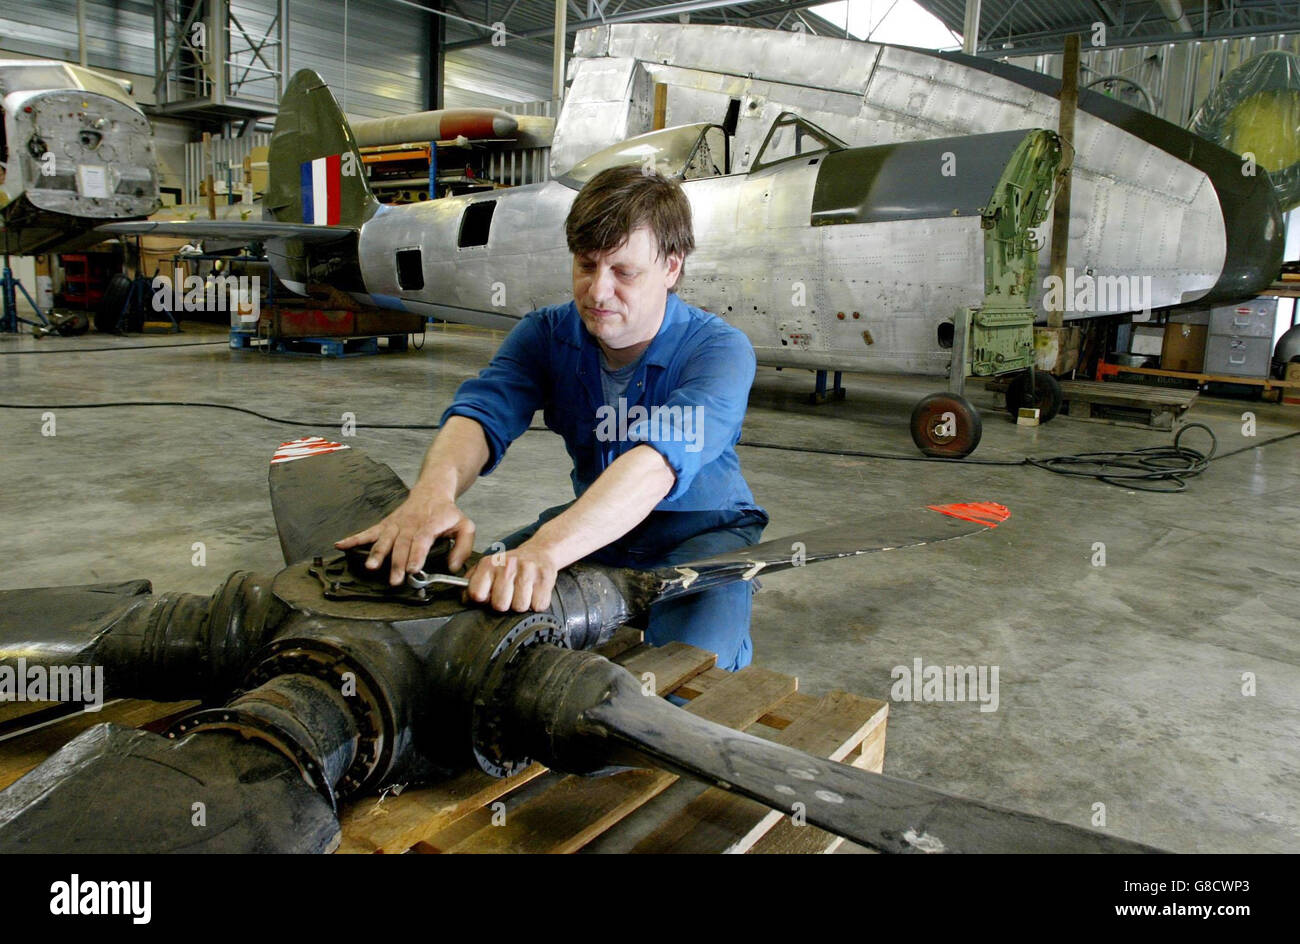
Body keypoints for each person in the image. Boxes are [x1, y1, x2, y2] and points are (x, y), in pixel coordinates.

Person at [337, 165, 767, 670]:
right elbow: (482, 413)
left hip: (701, 532)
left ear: (671, 268)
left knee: (690, 669)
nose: (598, 291)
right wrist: (432, 493)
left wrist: (546, 550)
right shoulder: (544, 334)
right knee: (466, 618)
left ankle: (728, 627)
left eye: (624, 272)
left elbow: (656, 464)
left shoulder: (719, 351)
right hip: (597, 525)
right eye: (586, 266)